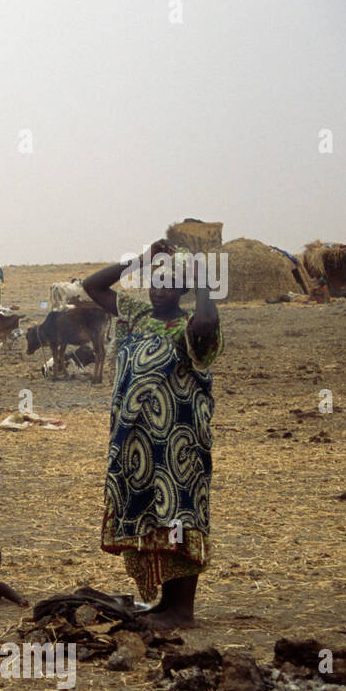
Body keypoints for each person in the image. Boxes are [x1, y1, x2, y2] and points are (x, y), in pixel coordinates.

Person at [81, 240, 222, 630]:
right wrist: (139, 260)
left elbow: (208, 324)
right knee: (155, 514)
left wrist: (203, 282)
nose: (159, 289)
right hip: (139, 444)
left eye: (170, 283)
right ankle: (166, 603)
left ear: (183, 289)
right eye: (154, 281)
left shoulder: (192, 325)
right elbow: (93, 286)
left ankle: (183, 610)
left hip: (179, 442)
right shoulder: (136, 315)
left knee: (180, 511)